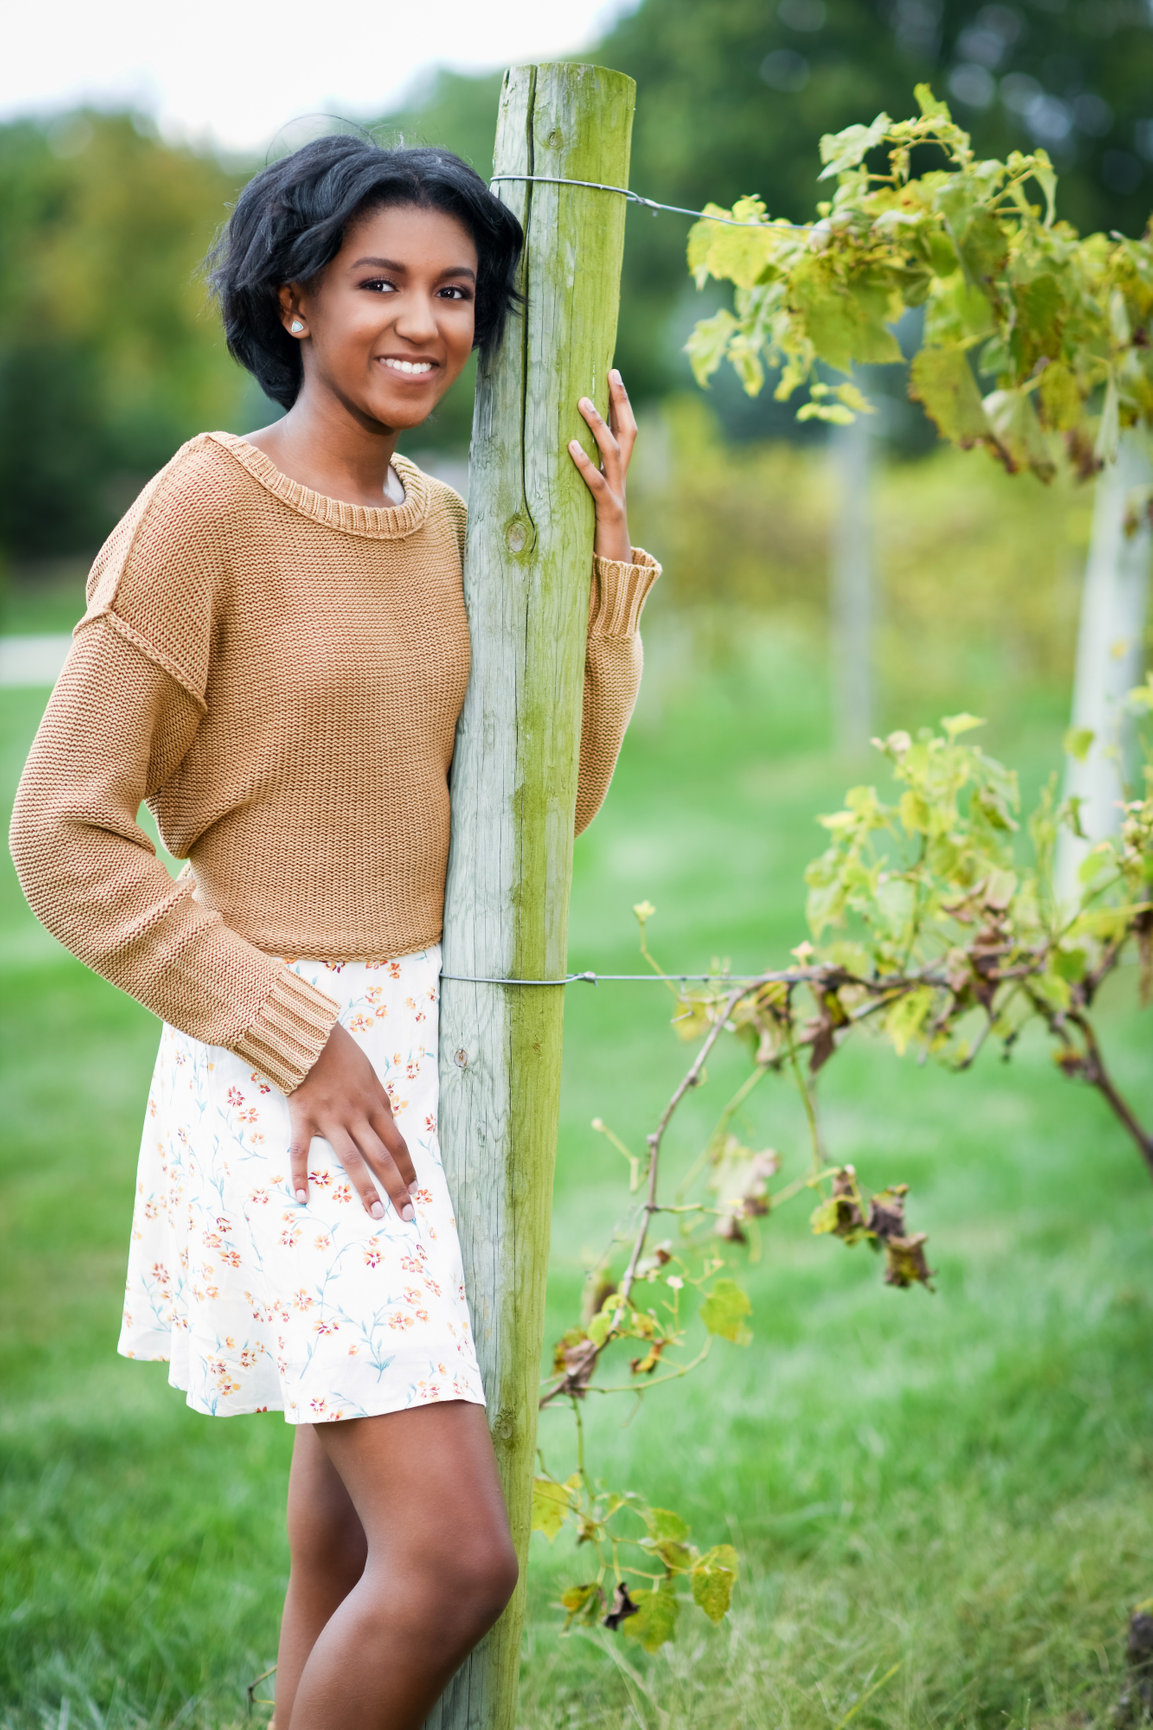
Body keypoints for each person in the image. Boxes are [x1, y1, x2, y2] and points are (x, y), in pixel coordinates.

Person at [9, 135, 660, 1730]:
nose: (424, 323)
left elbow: (530, 816)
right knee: (448, 1559)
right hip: (291, 1078)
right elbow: (63, 831)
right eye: (380, 284)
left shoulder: (453, 529)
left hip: (428, 1052)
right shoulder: (204, 507)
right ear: (294, 298)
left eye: (455, 290)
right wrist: (297, 1039)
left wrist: (594, 562)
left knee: (345, 1525)